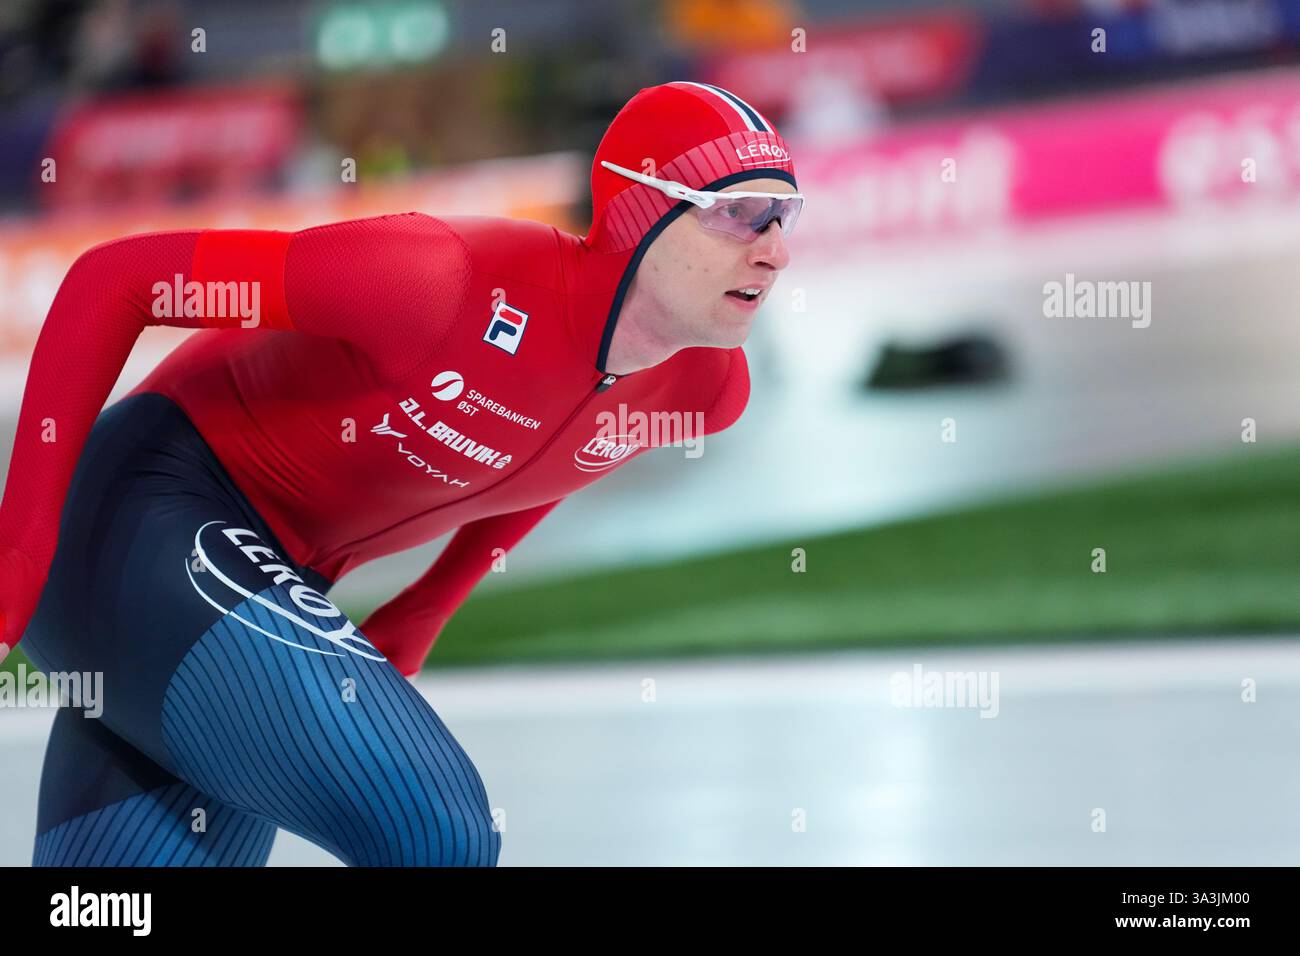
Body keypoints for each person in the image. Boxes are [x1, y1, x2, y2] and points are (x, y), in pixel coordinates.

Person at [0, 81, 801, 866]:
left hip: (239, 584)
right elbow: (117, 281)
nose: (774, 248)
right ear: (641, 211)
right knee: (436, 835)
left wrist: (425, 608)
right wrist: (22, 546)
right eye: (740, 212)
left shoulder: (706, 387)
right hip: (138, 515)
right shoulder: (436, 279)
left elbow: (566, 451)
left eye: (785, 214)